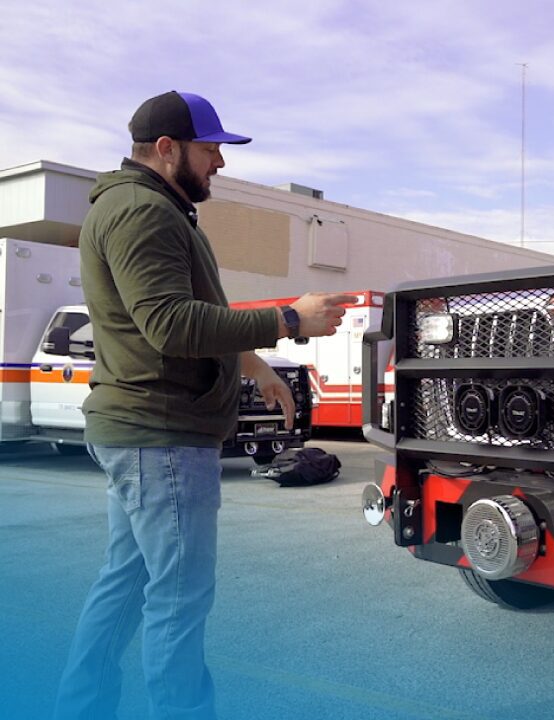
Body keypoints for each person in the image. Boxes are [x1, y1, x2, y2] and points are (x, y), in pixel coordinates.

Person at [52, 90, 357, 720]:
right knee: (178, 599)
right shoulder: (143, 214)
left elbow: (184, 314)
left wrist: (253, 364)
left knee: (126, 583)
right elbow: (168, 324)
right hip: (160, 436)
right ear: (167, 149)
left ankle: (78, 708)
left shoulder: (152, 208)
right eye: (211, 147)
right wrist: (288, 319)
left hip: (143, 433)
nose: (220, 161)